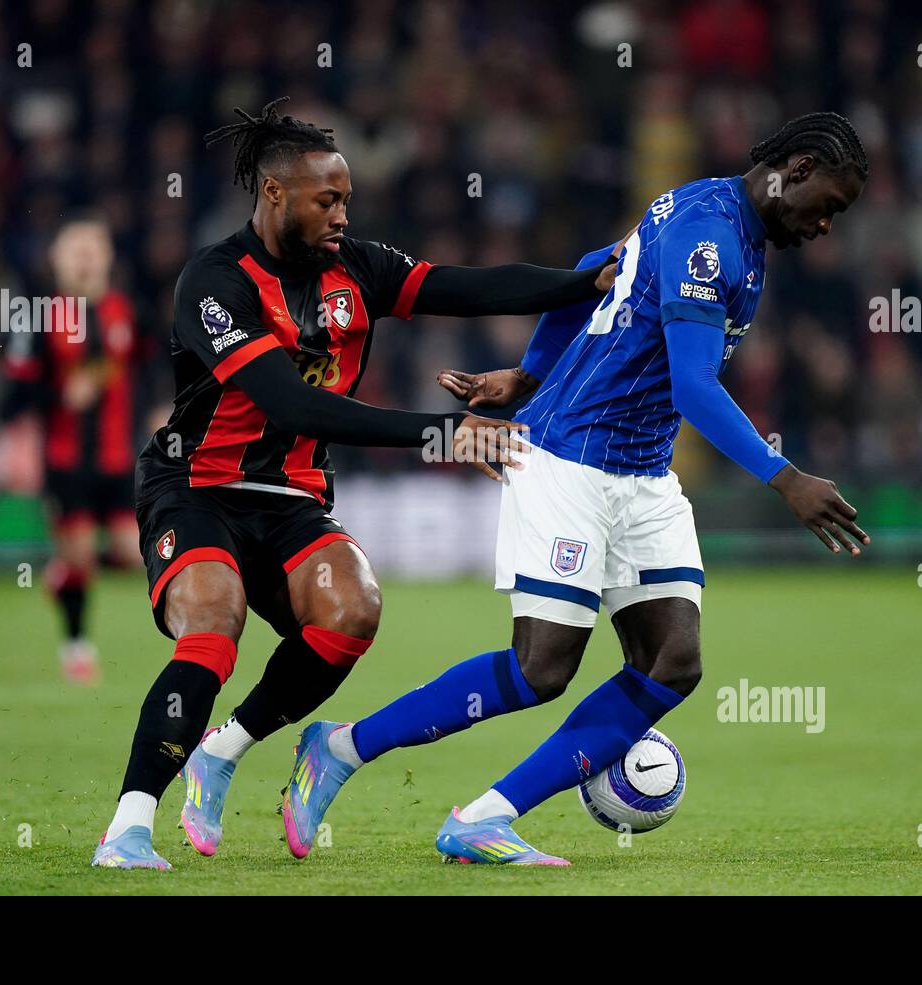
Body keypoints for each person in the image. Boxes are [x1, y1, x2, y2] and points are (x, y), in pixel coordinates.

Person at [277, 113, 874, 865]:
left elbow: (598, 268)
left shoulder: (712, 216)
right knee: (541, 668)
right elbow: (692, 385)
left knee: (673, 662)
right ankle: (339, 746)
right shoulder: (707, 236)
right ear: (796, 166)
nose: (825, 225)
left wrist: (529, 370)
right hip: (573, 460)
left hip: (645, 471)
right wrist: (785, 478)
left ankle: (482, 818)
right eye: (828, 203)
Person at [92, 99, 620, 869]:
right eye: (326, 199)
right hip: (196, 486)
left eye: (347, 198)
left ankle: (224, 749)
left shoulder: (360, 269)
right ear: (275, 195)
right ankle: (128, 827)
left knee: (354, 609)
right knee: (214, 622)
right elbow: (291, 400)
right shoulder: (213, 282)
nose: (342, 213)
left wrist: (590, 281)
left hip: (293, 498)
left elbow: (473, 287)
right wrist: (441, 431)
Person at [4, 219, 146, 684]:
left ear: (108, 257)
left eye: (93, 246)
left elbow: (150, 371)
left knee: (131, 553)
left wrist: (161, 409)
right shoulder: (39, 318)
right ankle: (77, 648)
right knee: (82, 554)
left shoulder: (127, 311)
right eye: (75, 248)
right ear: (57, 260)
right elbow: (16, 394)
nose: (85, 256)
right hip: (66, 461)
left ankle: (61, 573)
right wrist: (60, 394)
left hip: (118, 458)